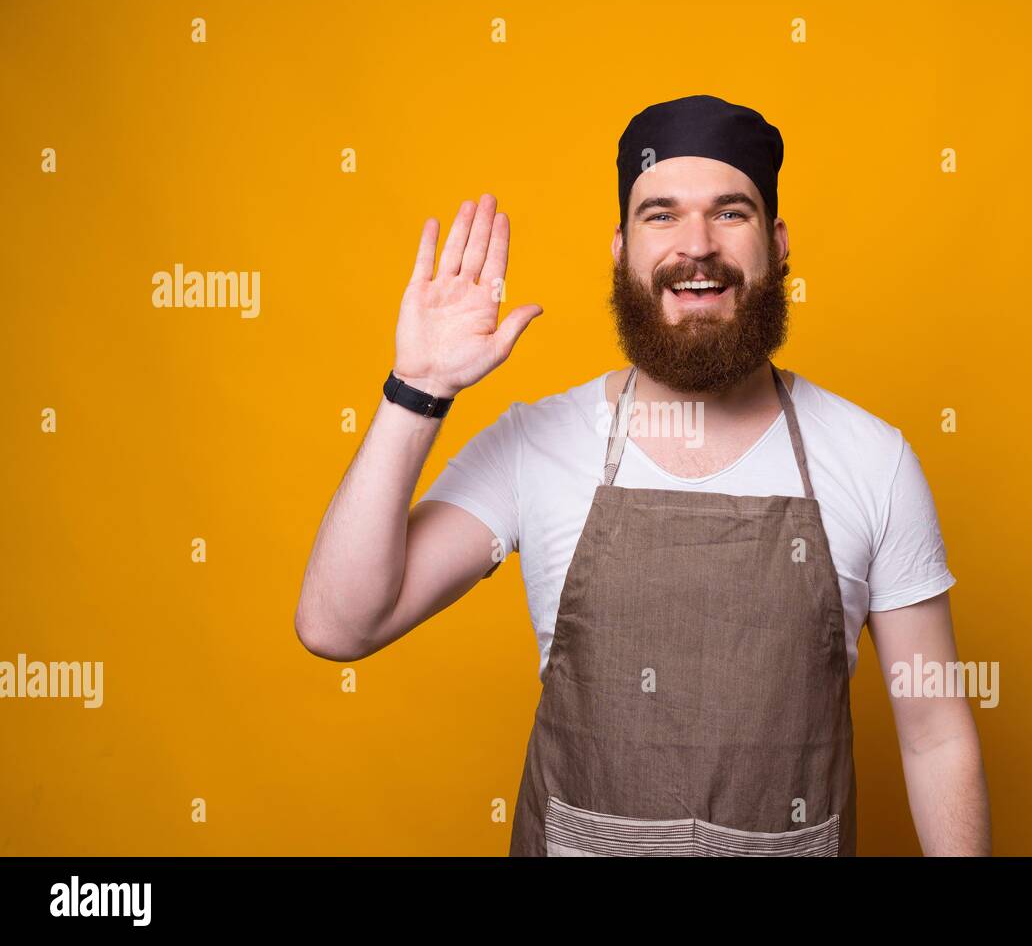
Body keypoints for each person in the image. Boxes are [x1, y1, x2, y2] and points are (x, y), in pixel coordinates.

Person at [295, 94, 991, 857]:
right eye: (661, 214)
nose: (698, 245)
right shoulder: (539, 444)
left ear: (777, 242)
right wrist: (417, 388)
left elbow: (935, 737)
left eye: (731, 212)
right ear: (622, 248)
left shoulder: (871, 458)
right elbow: (338, 625)